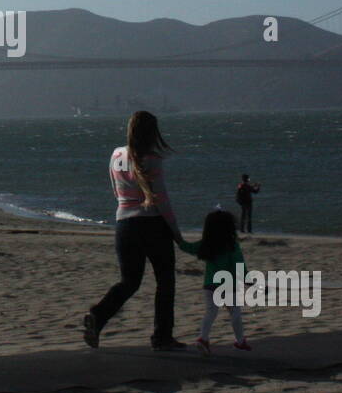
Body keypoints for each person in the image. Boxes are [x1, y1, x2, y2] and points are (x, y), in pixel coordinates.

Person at [84, 111, 188, 352]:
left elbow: (115, 191)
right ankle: (162, 337)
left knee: (129, 281)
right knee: (165, 281)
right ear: (152, 133)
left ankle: (98, 315)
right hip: (152, 225)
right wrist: (177, 233)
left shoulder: (116, 155)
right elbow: (162, 200)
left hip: (125, 224)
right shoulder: (153, 159)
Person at [179, 208, 250, 354]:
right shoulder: (232, 245)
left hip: (209, 286)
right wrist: (250, 281)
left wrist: (177, 238)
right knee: (235, 313)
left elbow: (188, 247)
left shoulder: (206, 245)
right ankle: (240, 341)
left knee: (211, 312)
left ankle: (203, 338)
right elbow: (240, 266)